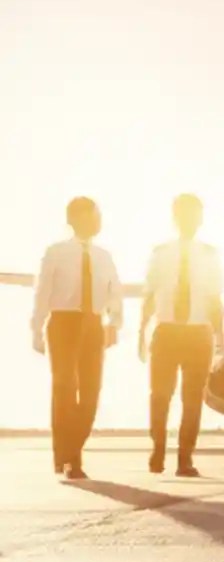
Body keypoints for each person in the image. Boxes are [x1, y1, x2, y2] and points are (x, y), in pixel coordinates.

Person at [30, 197, 123, 480]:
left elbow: (114, 293)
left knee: (91, 393)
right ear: (76, 218)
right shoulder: (55, 252)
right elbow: (43, 291)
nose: (99, 221)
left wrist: (114, 324)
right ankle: (72, 460)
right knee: (65, 388)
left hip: (93, 324)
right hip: (63, 323)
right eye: (95, 215)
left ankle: (67, 450)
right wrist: (36, 328)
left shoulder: (104, 256)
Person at [138, 194, 224, 477]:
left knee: (192, 398)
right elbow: (149, 294)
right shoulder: (160, 253)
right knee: (160, 395)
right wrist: (142, 330)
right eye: (185, 214)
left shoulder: (211, 255)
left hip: (198, 332)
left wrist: (222, 339)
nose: (190, 220)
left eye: (195, 215)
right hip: (167, 331)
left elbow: (215, 299)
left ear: (200, 219)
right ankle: (158, 449)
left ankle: (185, 458)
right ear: (175, 218)